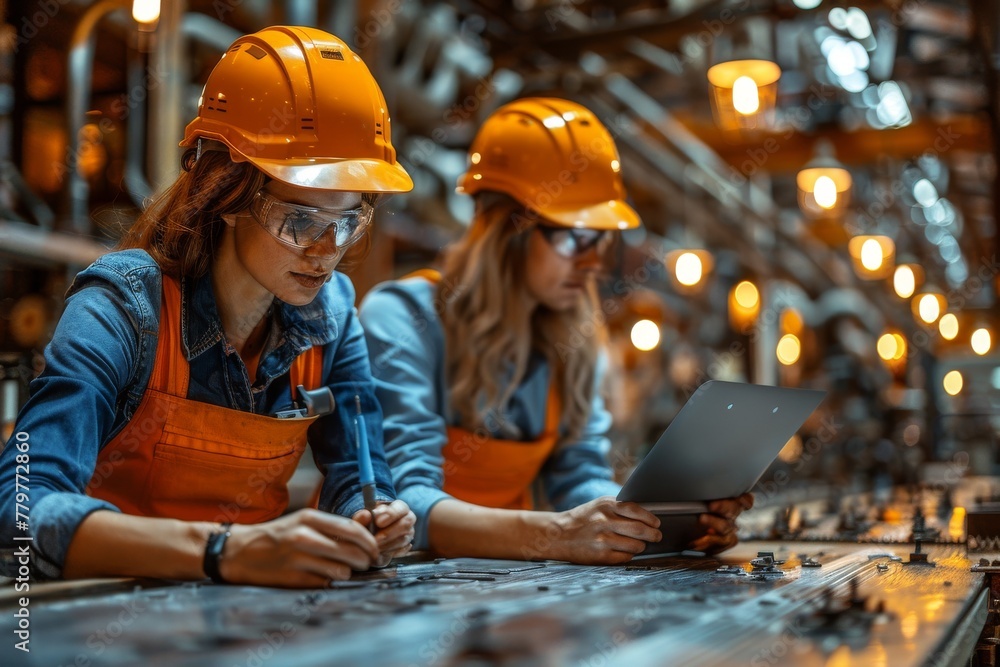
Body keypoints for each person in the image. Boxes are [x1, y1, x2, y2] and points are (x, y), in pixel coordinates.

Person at [0, 27, 415, 588]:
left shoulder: (334, 314)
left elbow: (357, 474)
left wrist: (372, 515)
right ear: (223, 192)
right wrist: (222, 551)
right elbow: (21, 510)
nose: (327, 253)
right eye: (300, 223)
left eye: (348, 222)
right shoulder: (121, 309)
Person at [360, 98, 752, 564]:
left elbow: (578, 477)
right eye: (573, 237)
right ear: (508, 230)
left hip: (494, 589)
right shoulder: (402, 319)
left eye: (601, 239)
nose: (592, 262)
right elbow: (404, 504)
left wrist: (662, 521)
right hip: (388, 588)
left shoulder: (576, 342)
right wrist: (556, 536)